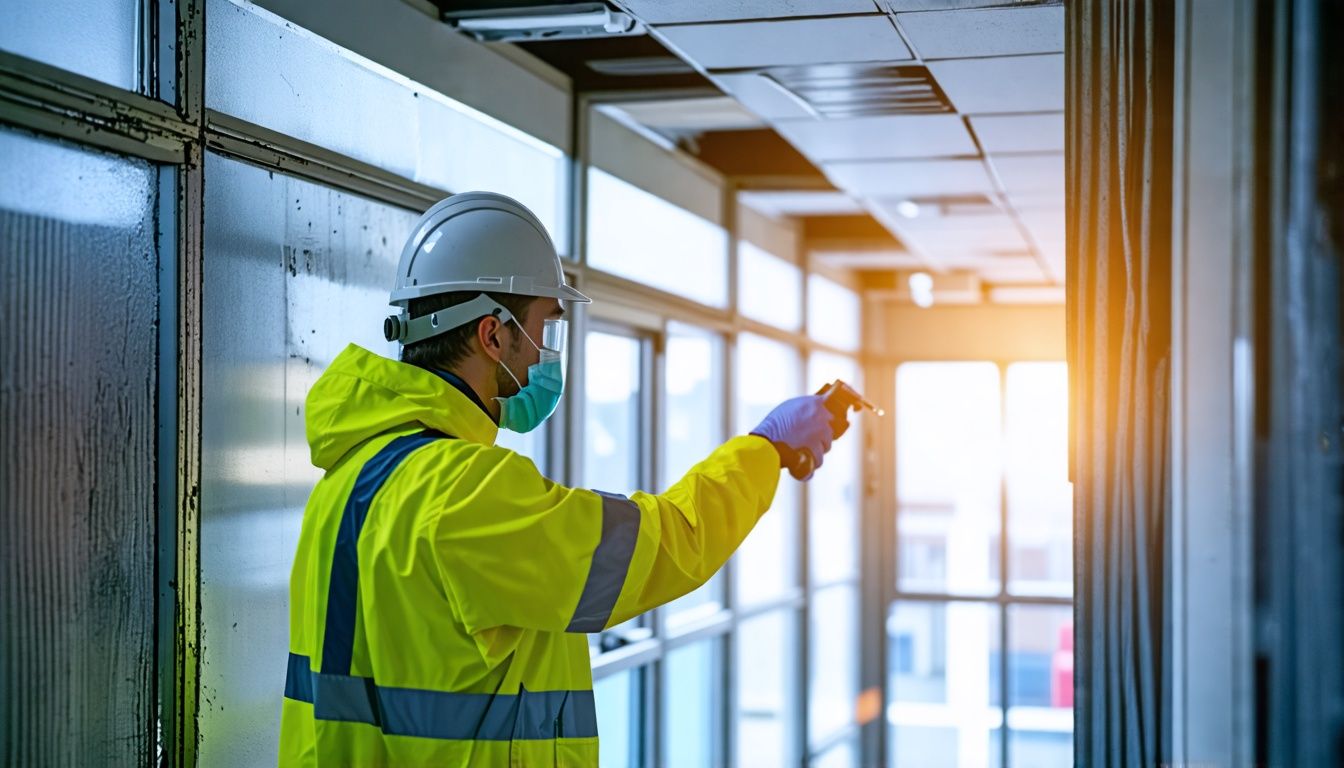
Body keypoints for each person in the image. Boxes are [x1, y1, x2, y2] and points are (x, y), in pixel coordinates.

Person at [279, 192, 849, 766]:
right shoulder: (466, 492)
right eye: (543, 329)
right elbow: (669, 544)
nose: (543, 357)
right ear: (492, 335)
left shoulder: (345, 484)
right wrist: (766, 449)